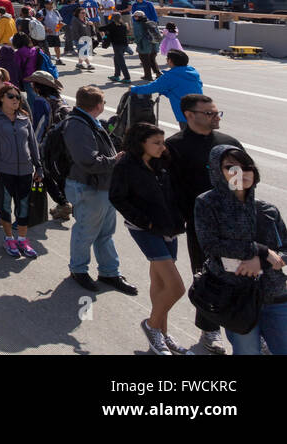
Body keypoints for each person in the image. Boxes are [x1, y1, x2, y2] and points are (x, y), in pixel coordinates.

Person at [165, 94, 243, 354]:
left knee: (242, 275)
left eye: (217, 112)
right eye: (209, 113)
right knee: (209, 277)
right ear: (189, 115)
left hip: (236, 225)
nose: (216, 117)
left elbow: (241, 183)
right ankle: (209, 329)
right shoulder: (174, 147)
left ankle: (247, 327)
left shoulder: (229, 143)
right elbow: (170, 190)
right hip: (201, 229)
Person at [194, 146, 287, 355]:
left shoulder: (267, 210)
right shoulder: (207, 203)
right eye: (231, 168)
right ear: (217, 171)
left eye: (247, 168)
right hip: (236, 297)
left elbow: (284, 250)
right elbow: (211, 245)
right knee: (247, 352)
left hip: (275, 295)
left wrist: (263, 261)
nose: (241, 173)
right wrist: (261, 251)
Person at [108, 123, 189, 354]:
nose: (162, 147)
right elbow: (117, 198)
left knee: (161, 282)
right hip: (145, 229)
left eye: (162, 142)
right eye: (157, 143)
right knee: (176, 287)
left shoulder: (163, 160)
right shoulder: (125, 165)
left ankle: (162, 334)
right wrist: (146, 222)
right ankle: (152, 326)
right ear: (141, 142)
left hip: (169, 226)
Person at [63, 85, 137, 295]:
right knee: (86, 232)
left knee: (105, 233)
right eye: (103, 102)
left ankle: (109, 272)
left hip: (102, 187)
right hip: (89, 187)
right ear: (97, 105)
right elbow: (88, 161)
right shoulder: (77, 125)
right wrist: (115, 160)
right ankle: (78, 270)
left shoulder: (88, 121)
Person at [0, 85, 41, 259]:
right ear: (1, 98)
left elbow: (33, 143)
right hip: (3, 170)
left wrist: (39, 166)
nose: (15, 100)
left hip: (25, 169)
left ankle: (22, 240)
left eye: (18, 97)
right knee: (5, 205)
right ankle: (9, 239)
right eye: (11, 96)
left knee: (23, 207)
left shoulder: (24, 118)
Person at [131, 50, 202, 124]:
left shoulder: (171, 75)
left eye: (167, 59)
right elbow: (184, 88)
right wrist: (166, 91)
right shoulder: (192, 72)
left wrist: (134, 89)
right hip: (201, 110)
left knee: (188, 134)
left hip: (185, 114)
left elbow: (151, 88)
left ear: (170, 61)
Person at [130, 11, 162, 82]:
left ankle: (148, 76)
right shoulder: (151, 22)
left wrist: (136, 42)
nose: (134, 18)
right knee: (152, 60)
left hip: (144, 45)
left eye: (135, 16)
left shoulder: (138, 24)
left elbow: (138, 36)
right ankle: (158, 73)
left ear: (139, 17)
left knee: (145, 61)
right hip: (154, 45)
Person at [103, 13, 132, 83]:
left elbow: (106, 32)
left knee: (121, 61)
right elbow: (128, 32)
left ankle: (127, 77)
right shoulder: (123, 25)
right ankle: (116, 75)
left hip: (117, 45)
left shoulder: (113, 26)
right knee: (116, 59)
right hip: (123, 45)